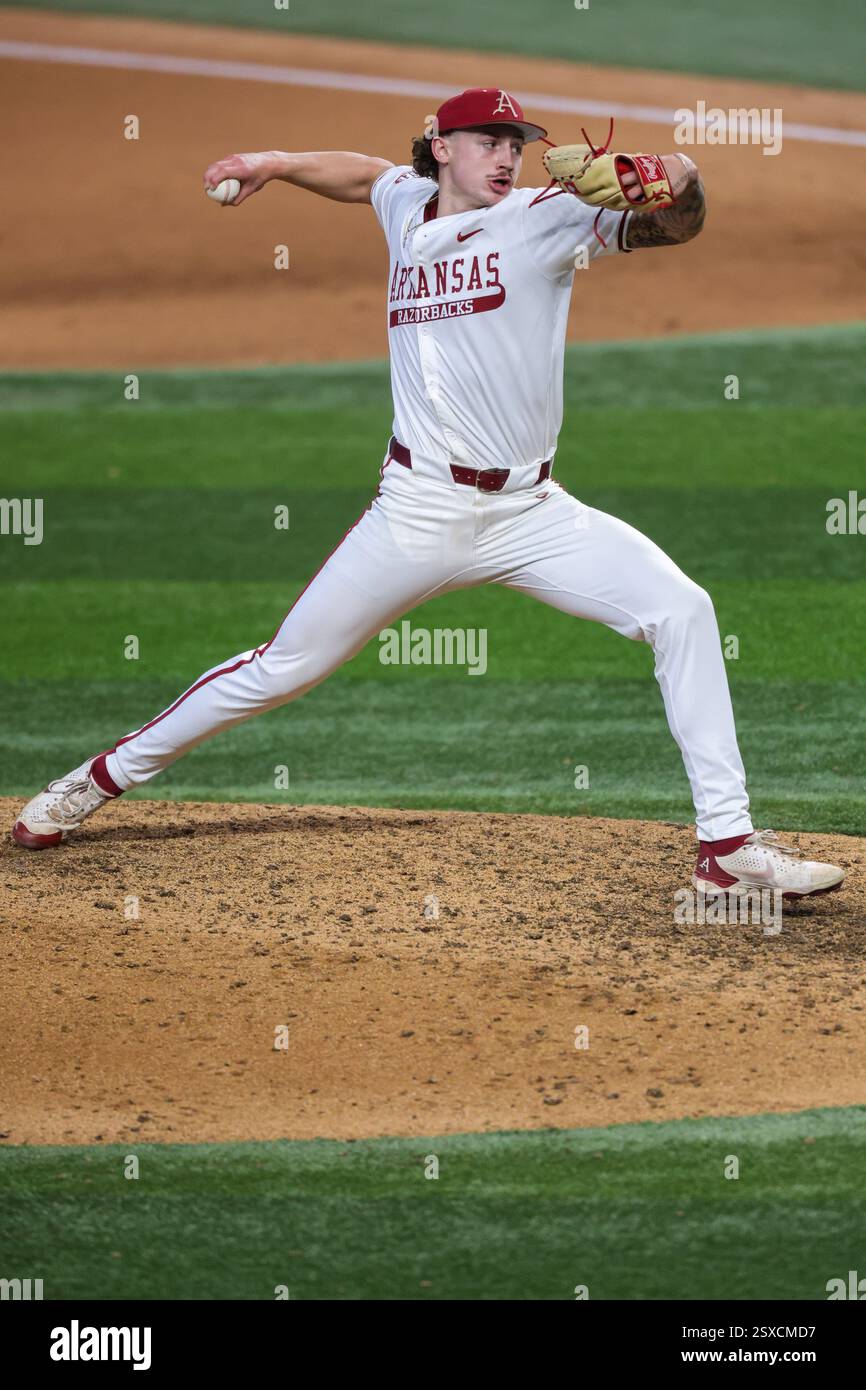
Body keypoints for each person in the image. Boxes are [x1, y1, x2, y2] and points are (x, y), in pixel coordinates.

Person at [11, 87, 843, 901]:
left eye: (516, 143)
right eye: (488, 141)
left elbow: (676, 224)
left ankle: (727, 846)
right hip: (417, 512)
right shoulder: (405, 205)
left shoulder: (546, 217)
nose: (509, 156)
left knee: (682, 608)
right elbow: (361, 173)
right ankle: (93, 781)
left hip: (532, 515)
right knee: (283, 668)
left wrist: (678, 171)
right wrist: (276, 162)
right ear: (442, 149)